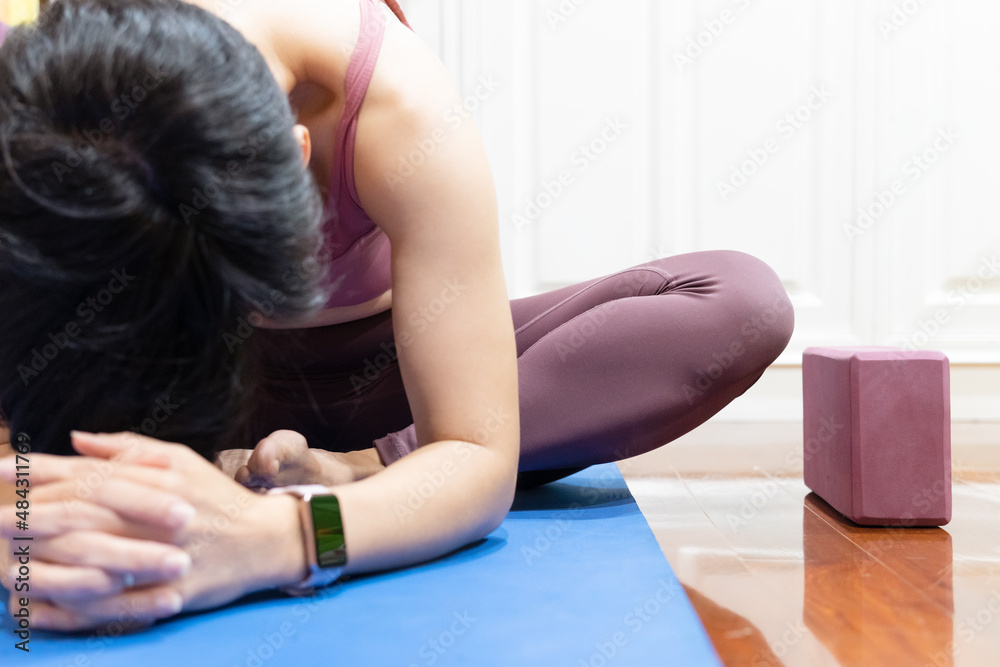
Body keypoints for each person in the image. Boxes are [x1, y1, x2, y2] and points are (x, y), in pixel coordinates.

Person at [0, 0, 793, 632]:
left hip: (382, 385)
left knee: (738, 300)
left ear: (296, 151)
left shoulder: (397, 102)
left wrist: (280, 538)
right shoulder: (33, 94)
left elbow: (478, 462)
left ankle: (367, 460)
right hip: (149, 392)